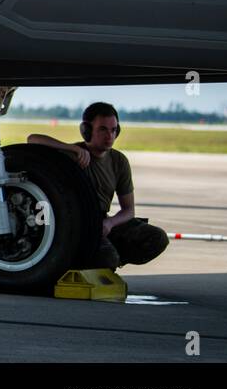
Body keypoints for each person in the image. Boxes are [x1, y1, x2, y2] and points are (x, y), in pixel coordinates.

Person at [27, 102, 168, 269]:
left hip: (102, 224)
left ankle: (102, 258)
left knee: (157, 238)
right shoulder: (72, 155)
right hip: (76, 225)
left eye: (113, 130)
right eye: (103, 129)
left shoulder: (119, 161)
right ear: (86, 131)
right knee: (107, 259)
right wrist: (71, 148)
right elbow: (32, 139)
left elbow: (128, 210)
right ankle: (95, 260)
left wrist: (110, 223)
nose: (109, 136)